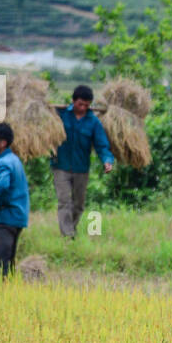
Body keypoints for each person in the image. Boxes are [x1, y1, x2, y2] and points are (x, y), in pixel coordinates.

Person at [50, 84, 113, 239]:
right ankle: (68, 236)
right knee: (64, 201)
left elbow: (102, 145)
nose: (83, 108)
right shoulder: (60, 115)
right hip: (61, 165)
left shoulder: (93, 122)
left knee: (78, 204)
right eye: (80, 104)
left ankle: (71, 228)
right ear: (73, 101)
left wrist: (107, 160)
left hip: (81, 168)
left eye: (86, 105)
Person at [0, 122, 29, 279]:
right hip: (17, 217)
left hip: (6, 217)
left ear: (2, 143)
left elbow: (2, 187)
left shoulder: (4, 163)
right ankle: (8, 294)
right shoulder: (14, 159)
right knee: (8, 262)